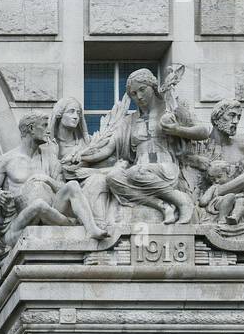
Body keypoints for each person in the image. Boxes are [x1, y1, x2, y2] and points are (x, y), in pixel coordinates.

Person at [78, 69, 211, 224]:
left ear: (152, 86)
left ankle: (182, 201)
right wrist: (80, 157)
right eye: (134, 94)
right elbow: (107, 149)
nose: (139, 97)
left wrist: (177, 130)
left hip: (164, 169)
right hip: (138, 173)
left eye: (142, 90)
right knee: (112, 177)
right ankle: (164, 206)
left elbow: (204, 131)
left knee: (134, 171)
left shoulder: (171, 109)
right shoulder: (130, 121)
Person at [0, 113, 109, 253]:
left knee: (73, 186)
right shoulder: (7, 160)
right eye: (44, 125)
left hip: (51, 209)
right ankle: (71, 223)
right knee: (39, 205)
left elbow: (61, 187)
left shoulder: (49, 157)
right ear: (32, 128)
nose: (48, 131)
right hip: (20, 222)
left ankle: (91, 228)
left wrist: (46, 179)